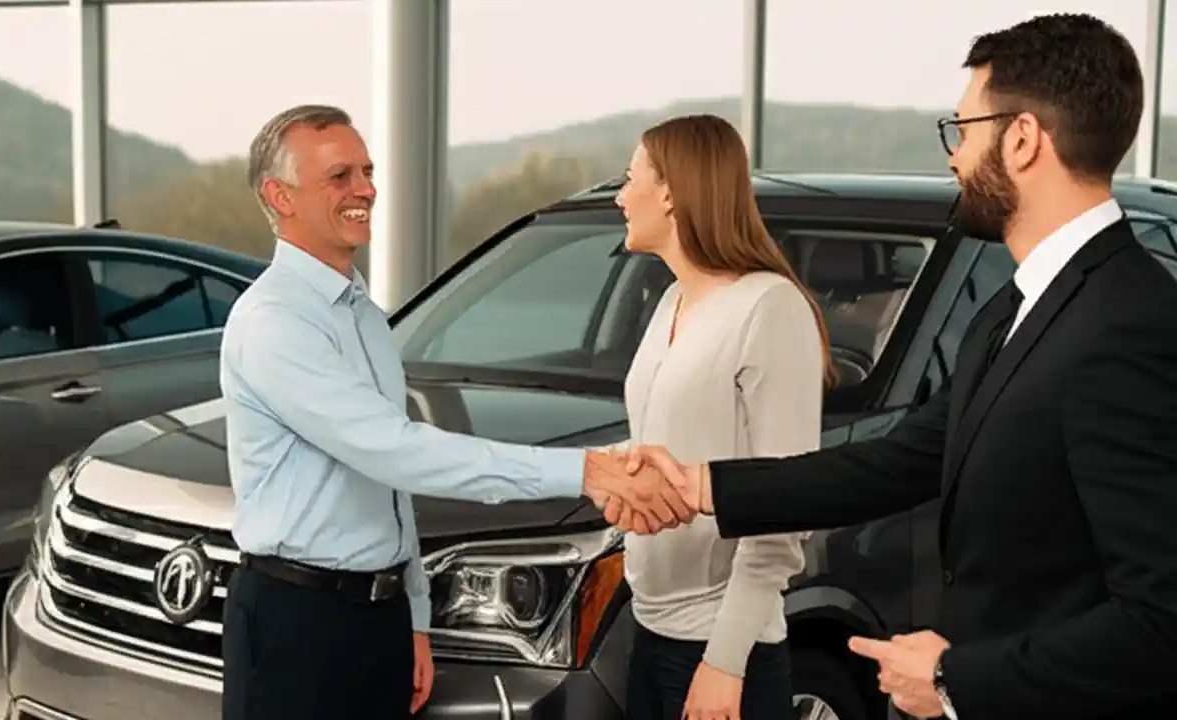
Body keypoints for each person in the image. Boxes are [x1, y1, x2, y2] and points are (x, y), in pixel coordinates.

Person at [613, 13, 1177, 720]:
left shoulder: (1130, 325)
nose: (954, 158)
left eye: (963, 131)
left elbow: (1161, 624)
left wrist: (954, 678)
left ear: (1024, 139)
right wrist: (701, 485)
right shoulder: (1011, 311)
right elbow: (894, 464)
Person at [218, 104, 693, 720]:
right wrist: (587, 471)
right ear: (279, 196)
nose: (366, 189)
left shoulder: (362, 314)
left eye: (367, 171)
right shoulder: (274, 322)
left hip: (378, 619)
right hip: (299, 624)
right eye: (340, 176)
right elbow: (397, 451)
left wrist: (413, 614)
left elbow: (388, 490)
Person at [609, 114, 831, 720]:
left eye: (630, 178)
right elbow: (664, 440)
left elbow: (785, 507)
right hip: (649, 631)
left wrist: (725, 662)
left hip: (723, 648)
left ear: (671, 191)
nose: (620, 197)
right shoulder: (671, 301)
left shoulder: (770, 308)